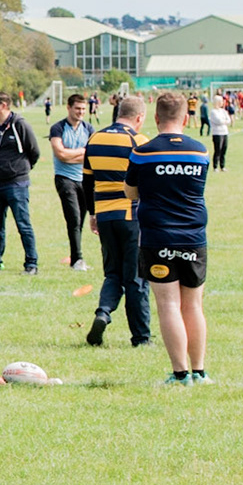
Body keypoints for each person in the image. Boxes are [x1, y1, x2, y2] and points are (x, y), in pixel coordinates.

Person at [128, 92, 211, 384]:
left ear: (156, 118)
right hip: (193, 237)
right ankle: (199, 371)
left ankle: (180, 374)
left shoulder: (142, 152)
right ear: (186, 119)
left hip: (157, 235)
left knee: (168, 305)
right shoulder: (200, 151)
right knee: (194, 306)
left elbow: (130, 192)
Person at [81, 94, 150, 347]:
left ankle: (103, 312)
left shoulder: (95, 138)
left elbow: (86, 181)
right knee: (135, 278)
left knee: (112, 273)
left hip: (105, 215)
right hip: (131, 216)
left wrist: (93, 213)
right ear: (139, 118)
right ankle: (141, 337)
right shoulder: (139, 141)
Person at [0, 92, 40, 274]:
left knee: (23, 224)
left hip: (16, 184)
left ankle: (31, 263)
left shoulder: (19, 125)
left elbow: (34, 150)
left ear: (4, 105)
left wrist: (20, 170)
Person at [49, 93, 91, 271]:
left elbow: (90, 155)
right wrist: (81, 153)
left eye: (83, 109)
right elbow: (61, 154)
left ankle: (76, 256)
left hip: (84, 179)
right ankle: (77, 260)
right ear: (69, 108)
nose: (81, 112)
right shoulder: (58, 128)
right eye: (77, 109)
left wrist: (71, 154)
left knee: (81, 219)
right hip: (65, 178)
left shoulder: (88, 128)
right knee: (73, 217)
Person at [207, 94, 232, 172]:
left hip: (225, 132)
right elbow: (218, 121)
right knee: (218, 150)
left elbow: (229, 120)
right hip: (217, 133)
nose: (222, 102)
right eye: (221, 101)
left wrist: (224, 121)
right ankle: (215, 167)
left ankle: (222, 166)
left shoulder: (223, 111)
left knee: (224, 149)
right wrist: (224, 121)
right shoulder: (213, 112)